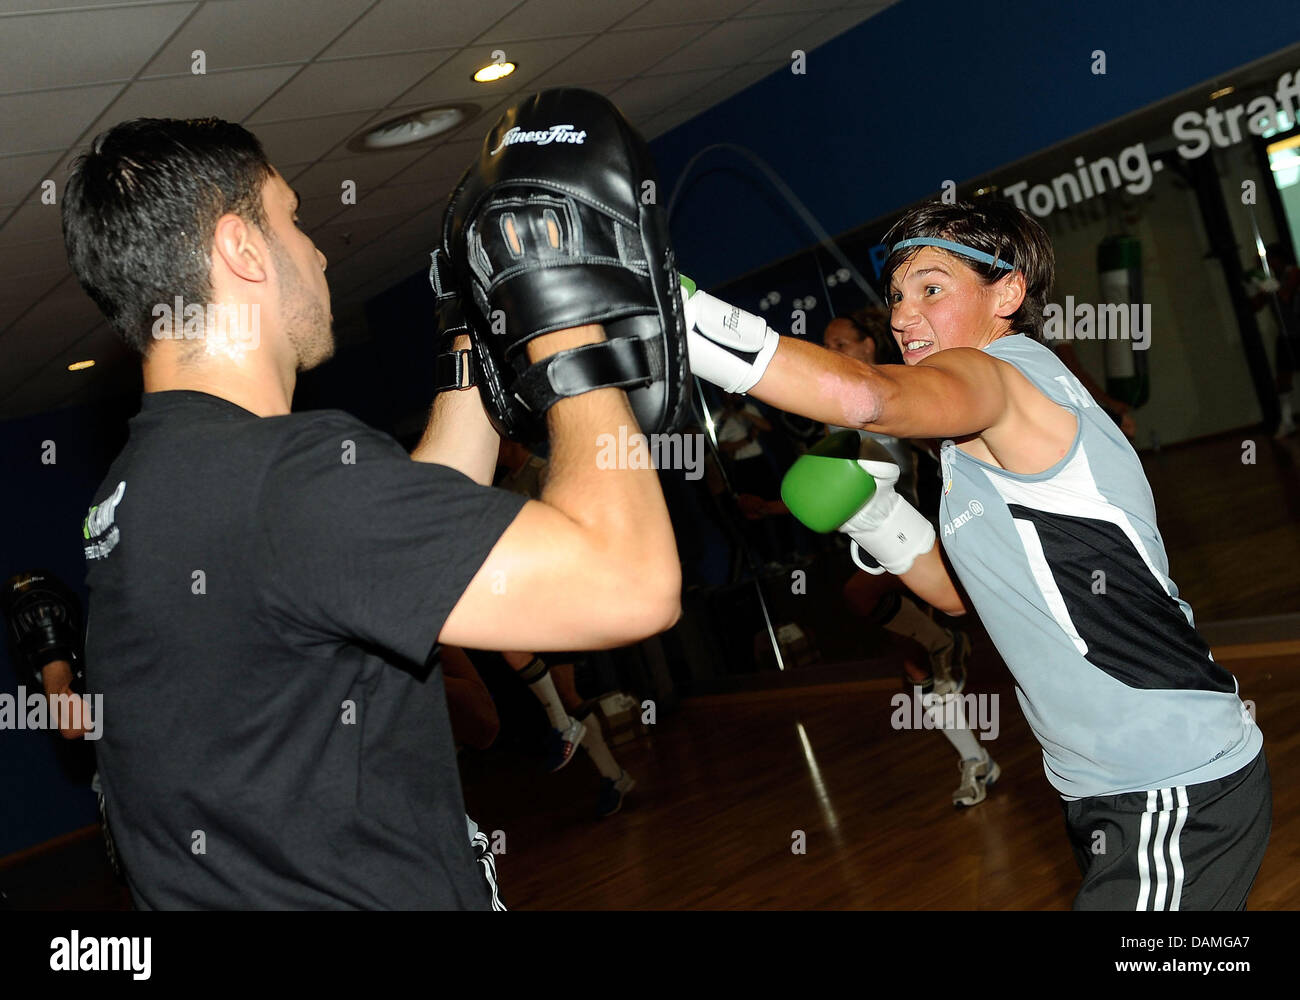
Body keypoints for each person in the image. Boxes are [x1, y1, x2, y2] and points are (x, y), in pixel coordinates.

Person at [60, 116, 681, 909]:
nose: (316, 252)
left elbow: (392, 550)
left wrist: (471, 337)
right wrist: (562, 322)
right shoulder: (280, 478)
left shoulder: (151, 485)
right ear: (241, 250)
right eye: (291, 217)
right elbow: (632, 584)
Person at [683, 200, 1269, 910]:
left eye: (931, 288)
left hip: (1174, 779)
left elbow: (867, 398)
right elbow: (961, 595)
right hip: (1102, 786)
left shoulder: (1004, 375)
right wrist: (874, 517)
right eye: (897, 296)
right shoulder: (969, 442)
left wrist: (687, 322)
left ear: (1009, 293)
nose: (902, 316)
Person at [821, 311, 993, 806]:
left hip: (922, 532)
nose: (831, 351)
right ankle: (974, 759)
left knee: (870, 598)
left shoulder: (894, 391)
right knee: (918, 671)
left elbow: (943, 440)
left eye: (840, 341)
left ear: (869, 344)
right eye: (825, 344)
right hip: (880, 544)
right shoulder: (832, 407)